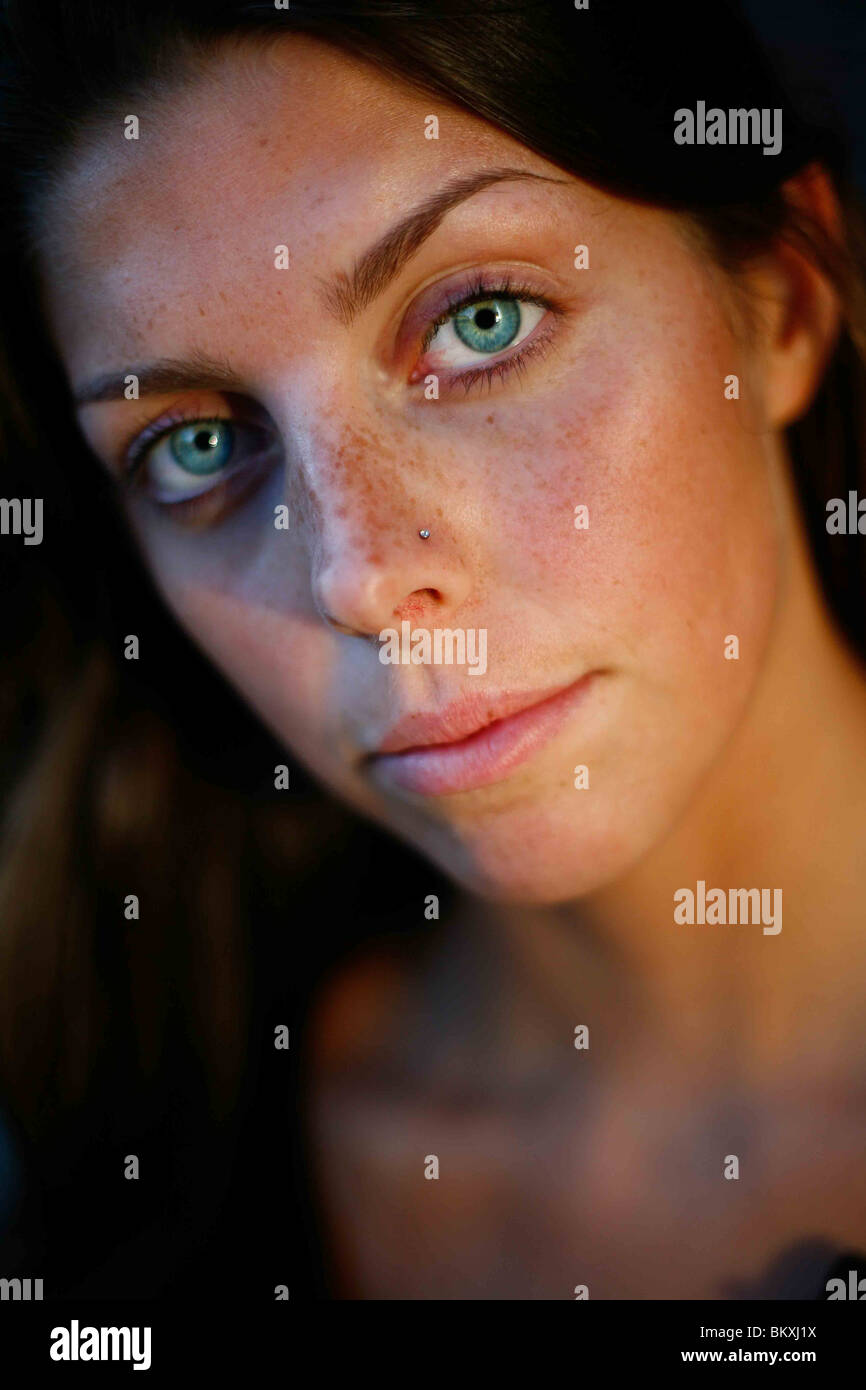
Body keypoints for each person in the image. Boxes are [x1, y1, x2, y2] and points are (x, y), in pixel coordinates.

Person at [1, 0, 866, 1299]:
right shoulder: (148, 1187)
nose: (354, 575)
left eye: (480, 322)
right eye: (198, 444)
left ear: (783, 299)